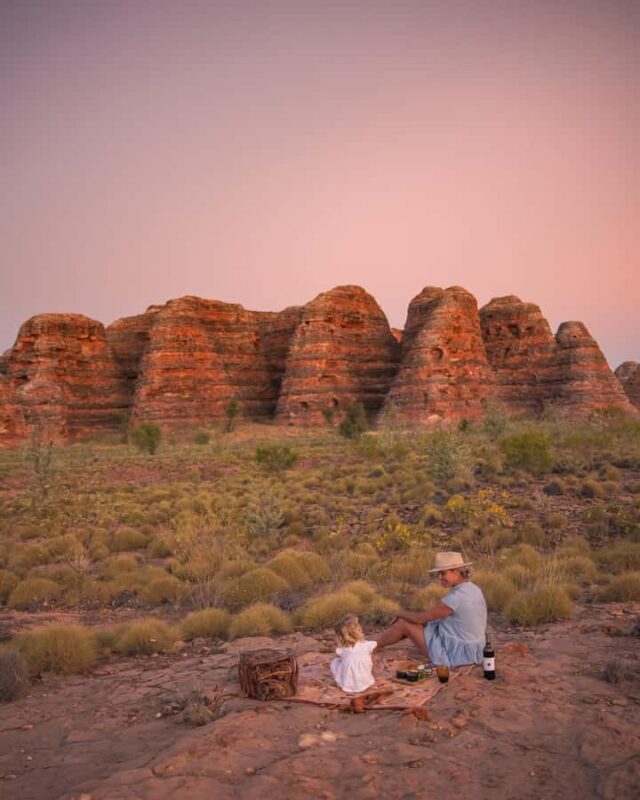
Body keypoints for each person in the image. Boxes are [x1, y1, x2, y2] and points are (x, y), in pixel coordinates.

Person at [375, 551, 487, 667]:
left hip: (457, 654)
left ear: (457, 571)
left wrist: (399, 613)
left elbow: (420, 619)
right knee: (424, 624)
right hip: (475, 649)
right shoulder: (474, 589)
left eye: (443, 574)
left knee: (404, 624)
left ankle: (373, 647)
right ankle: (376, 645)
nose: (440, 578)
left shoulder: (455, 598)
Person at [330, 614, 377, 693]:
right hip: (366, 682)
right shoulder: (367, 645)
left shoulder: (342, 649)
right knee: (367, 658)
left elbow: (341, 658)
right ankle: (365, 678)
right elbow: (372, 661)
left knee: (335, 661)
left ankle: (346, 680)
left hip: (346, 685)